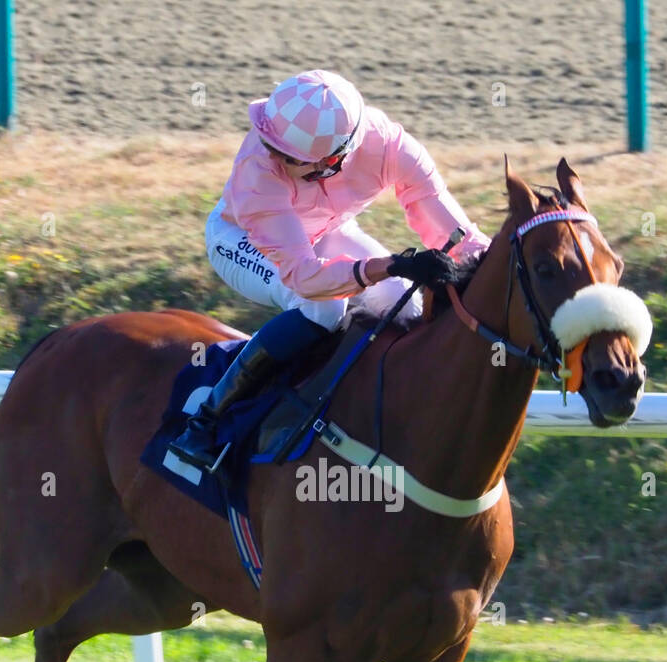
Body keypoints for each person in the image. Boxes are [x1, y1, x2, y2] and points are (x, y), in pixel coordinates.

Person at [168, 69, 490, 471]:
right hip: (241, 240)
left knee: (401, 304)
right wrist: (391, 263)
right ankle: (206, 421)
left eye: (288, 157)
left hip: (326, 230)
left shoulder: (390, 145)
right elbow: (306, 277)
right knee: (324, 309)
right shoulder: (259, 172)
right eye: (270, 143)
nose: (271, 156)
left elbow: (454, 230)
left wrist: (491, 266)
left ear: (335, 160)